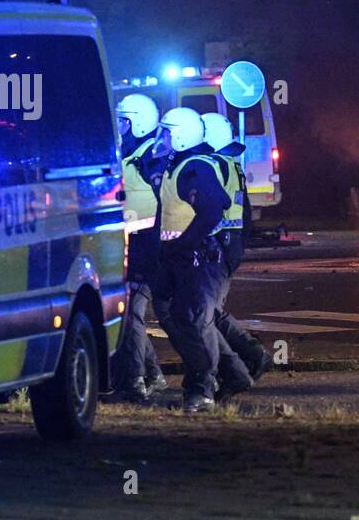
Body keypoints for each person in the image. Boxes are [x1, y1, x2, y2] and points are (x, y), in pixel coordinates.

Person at [151, 107, 248, 413]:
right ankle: (231, 375)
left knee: (194, 321)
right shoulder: (180, 164)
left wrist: (184, 244)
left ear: (179, 136)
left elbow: (213, 208)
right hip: (179, 259)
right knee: (181, 317)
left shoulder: (194, 168)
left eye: (166, 132)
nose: (161, 138)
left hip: (196, 259)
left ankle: (202, 390)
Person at [199, 112, 274, 385]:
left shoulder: (216, 167)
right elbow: (245, 215)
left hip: (219, 246)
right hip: (229, 246)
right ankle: (245, 359)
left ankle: (251, 356)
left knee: (207, 314)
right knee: (208, 312)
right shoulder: (231, 166)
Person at [112, 93, 168, 402]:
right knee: (128, 314)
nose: (118, 126)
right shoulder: (131, 152)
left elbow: (165, 202)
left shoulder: (151, 156)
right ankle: (154, 375)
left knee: (131, 314)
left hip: (147, 247)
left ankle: (134, 383)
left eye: (123, 121)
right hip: (132, 246)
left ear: (137, 122)